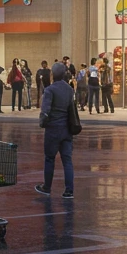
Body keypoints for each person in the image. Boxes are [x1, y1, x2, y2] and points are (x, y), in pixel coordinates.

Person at [35, 63, 75, 198]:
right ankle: (69, 190)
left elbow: (45, 111)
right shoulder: (69, 90)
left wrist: (42, 123)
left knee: (50, 159)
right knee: (67, 160)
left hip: (53, 129)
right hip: (66, 129)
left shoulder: (49, 90)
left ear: (52, 74)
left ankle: (47, 187)